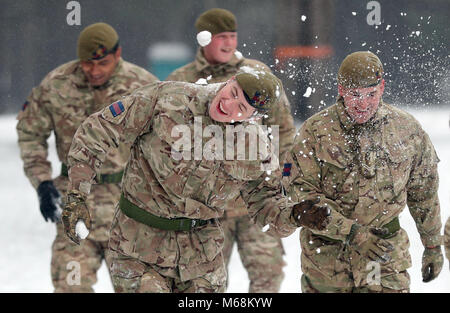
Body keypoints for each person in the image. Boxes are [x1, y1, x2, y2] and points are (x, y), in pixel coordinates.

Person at [61, 69, 285, 293]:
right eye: (233, 92)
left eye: (242, 108)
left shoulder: (255, 145)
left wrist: (296, 215)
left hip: (202, 259)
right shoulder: (167, 100)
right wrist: (76, 195)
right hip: (139, 250)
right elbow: (97, 131)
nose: (229, 104)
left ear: (253, 117)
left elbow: (267, 202)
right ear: (230, 80)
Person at [248, 51, 444, 293]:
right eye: (355, 95)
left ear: (382, 87)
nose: (363, 104)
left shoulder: (407, 130)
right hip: (328, 263)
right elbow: (301, 195)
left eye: (371, 94)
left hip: (384, 260)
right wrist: (351, 233)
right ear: (341, 90)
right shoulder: (315, 133)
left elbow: (423, 192)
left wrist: (433, 245)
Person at [16, 22, 158, 292]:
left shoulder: (144, 86)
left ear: (118, 55)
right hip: (77, 202)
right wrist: (42, 182)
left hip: (130, 205)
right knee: (70, 284)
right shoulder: (57, 85)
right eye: (87, 64)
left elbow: (166, 140)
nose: (94, 71)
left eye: (102, 63)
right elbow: (30, 133)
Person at [167, 8, 295, 293]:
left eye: (233, 36)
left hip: (255, 199)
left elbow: (283, 131)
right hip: (206, 208)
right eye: (220, 37)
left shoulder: (256, 74)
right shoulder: (182, 78)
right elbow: (169, 139)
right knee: (200, 285)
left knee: (268, 276)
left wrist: (283, 178)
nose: (228, 43)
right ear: (203, 39)